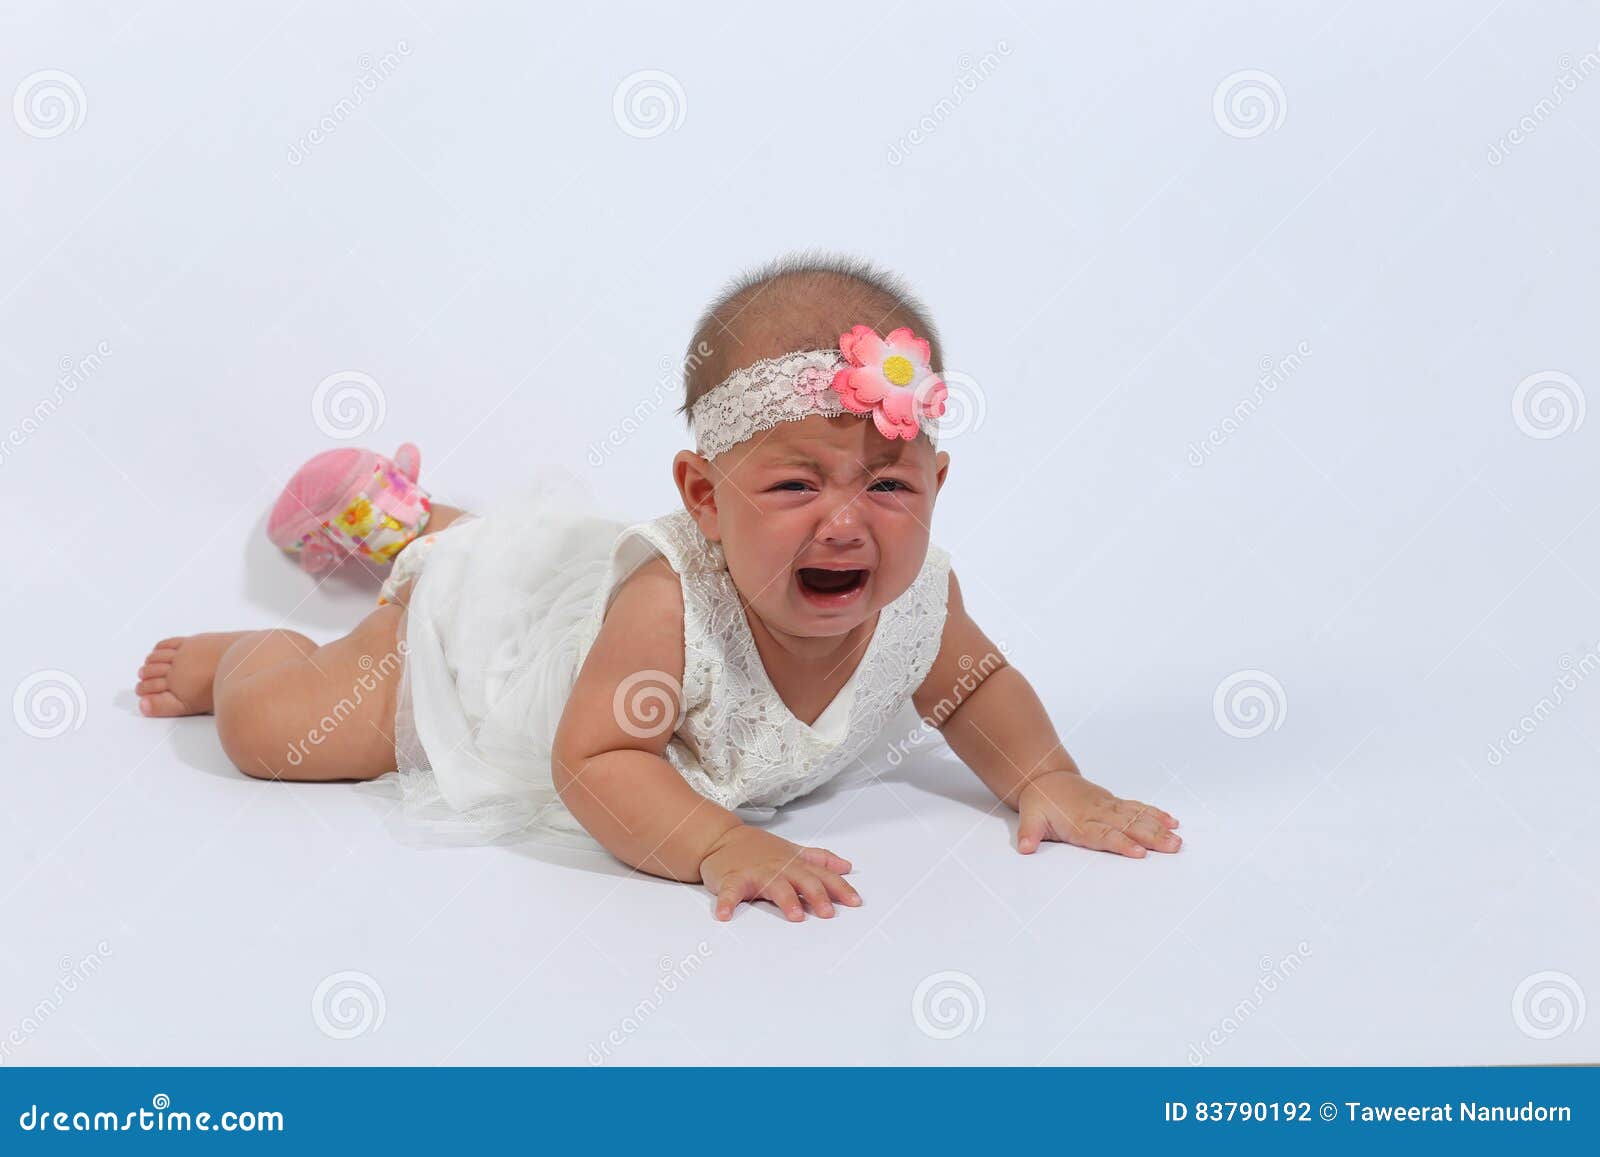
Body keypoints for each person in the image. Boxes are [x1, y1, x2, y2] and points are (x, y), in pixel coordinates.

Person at [133, 254, 1180, 922]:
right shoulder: (668, 605)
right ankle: (262, 645)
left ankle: (409, 513)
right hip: (479, 653)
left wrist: (1045, 774)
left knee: (532, 550)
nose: (847, 518)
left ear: (936, 482)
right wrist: (716, 839)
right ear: (703, 497)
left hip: (561, 583)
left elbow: (975, 685)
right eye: (794, 483)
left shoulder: (919, 599)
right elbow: (592, 753)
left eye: (889, 483)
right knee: (282, 733)